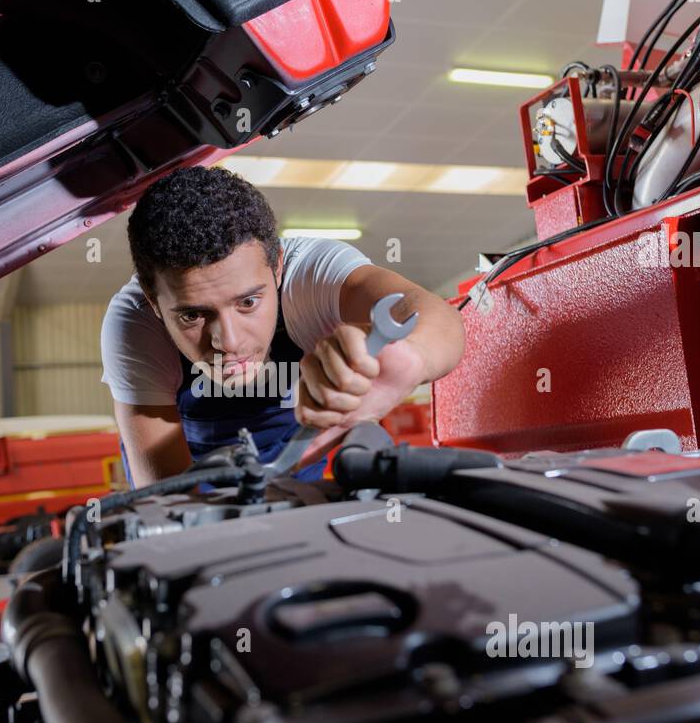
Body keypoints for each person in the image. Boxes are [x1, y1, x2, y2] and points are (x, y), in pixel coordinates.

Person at [100, 165, 467, 486]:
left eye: (248, 302)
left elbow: (434, 316)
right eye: (193, 315)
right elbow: (168, 503)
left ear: (277, 267)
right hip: (191, 475)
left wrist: (410, 361)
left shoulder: (312, 273)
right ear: (153, 300)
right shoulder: (133, 324)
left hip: (295, 468)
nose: (228, 341)